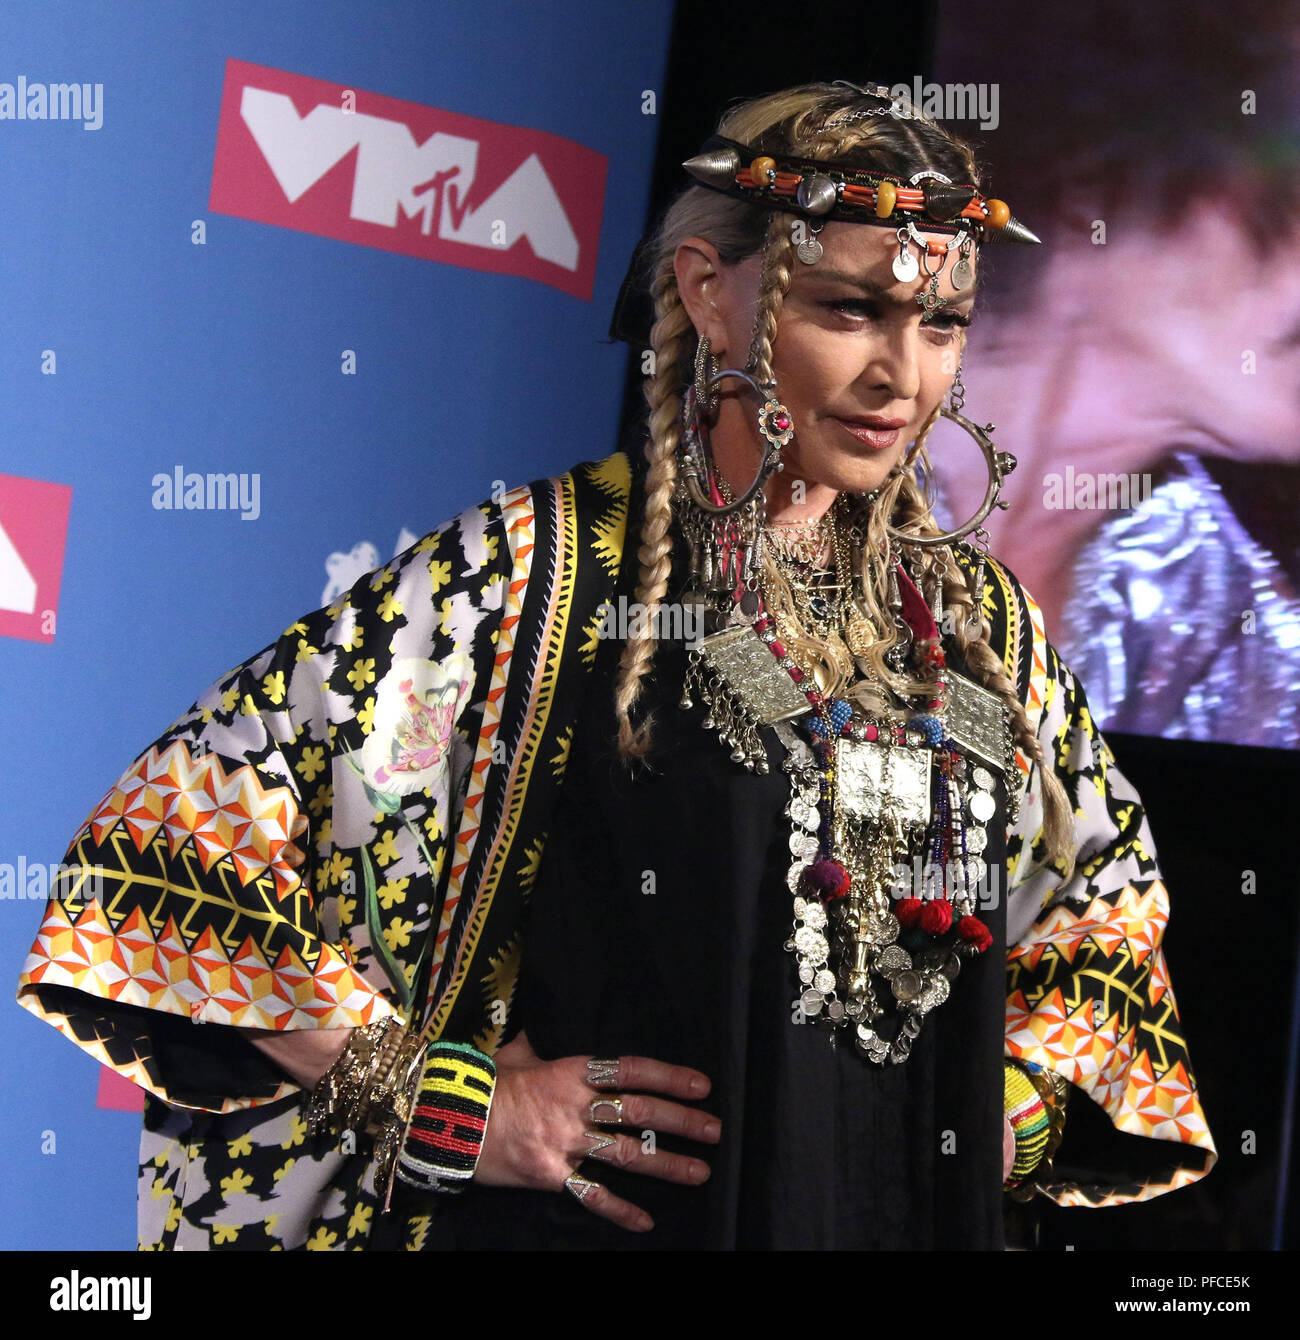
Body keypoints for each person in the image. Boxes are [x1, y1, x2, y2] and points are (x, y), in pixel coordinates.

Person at [16, 80, 1215, 1251]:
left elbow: (1105, 917)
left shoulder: (978, 626)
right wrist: (434, 1095)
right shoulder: (540, 575)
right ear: (708, 290)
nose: (901, 376)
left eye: (940, 323)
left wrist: (1010, 1110)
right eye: (849, 309)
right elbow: (171, 850)